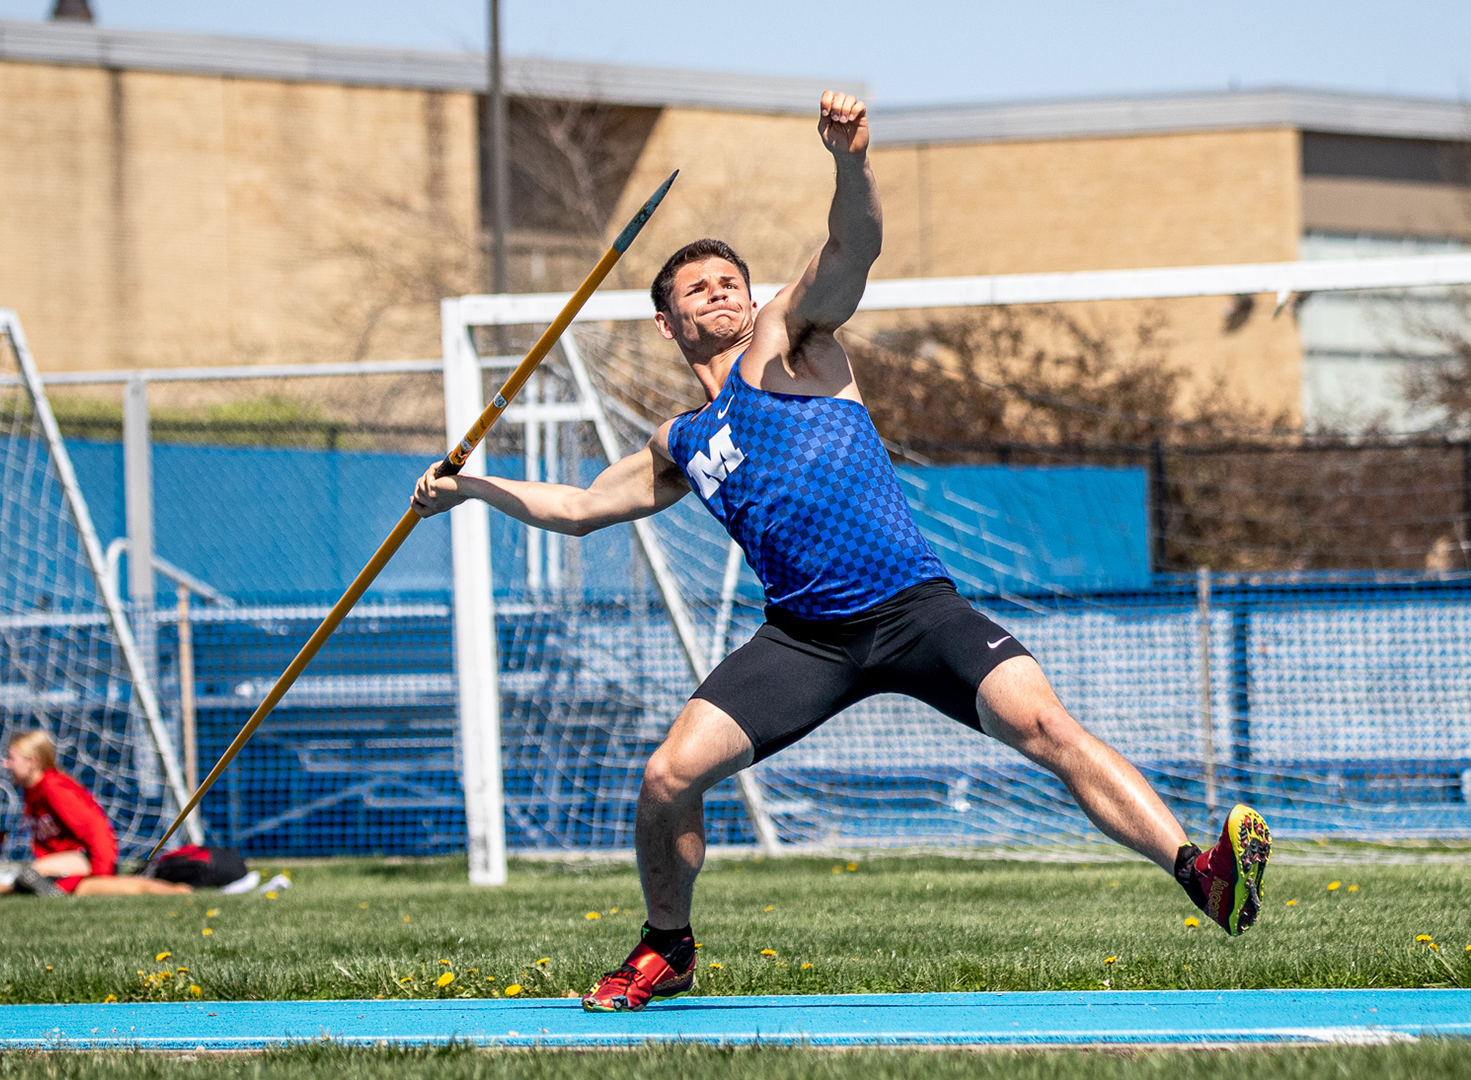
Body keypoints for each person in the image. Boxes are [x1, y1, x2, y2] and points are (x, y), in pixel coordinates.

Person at [412, 90, 1270, 1013]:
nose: (722, 292)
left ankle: (1203, 874)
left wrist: (850, 161)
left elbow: (852, 249)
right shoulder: (681, 441)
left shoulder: (791, 341)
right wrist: (470, 486)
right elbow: (581, 505)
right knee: (667, 775)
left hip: (915, 610)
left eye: (730, 280)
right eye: (698, 289)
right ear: (667, 323)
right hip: (804, 643)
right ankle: (667, 947)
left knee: (1048, 728)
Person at [0, 730, 190, 897]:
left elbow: (97, 829)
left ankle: (180, 891)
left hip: (84, 863)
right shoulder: (31, 792)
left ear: (32, 761)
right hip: (61, 870)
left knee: (33, 875)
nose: (6, 764)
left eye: (11, 759)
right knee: (23, 883)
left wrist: (101, 873)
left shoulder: (54, 788)